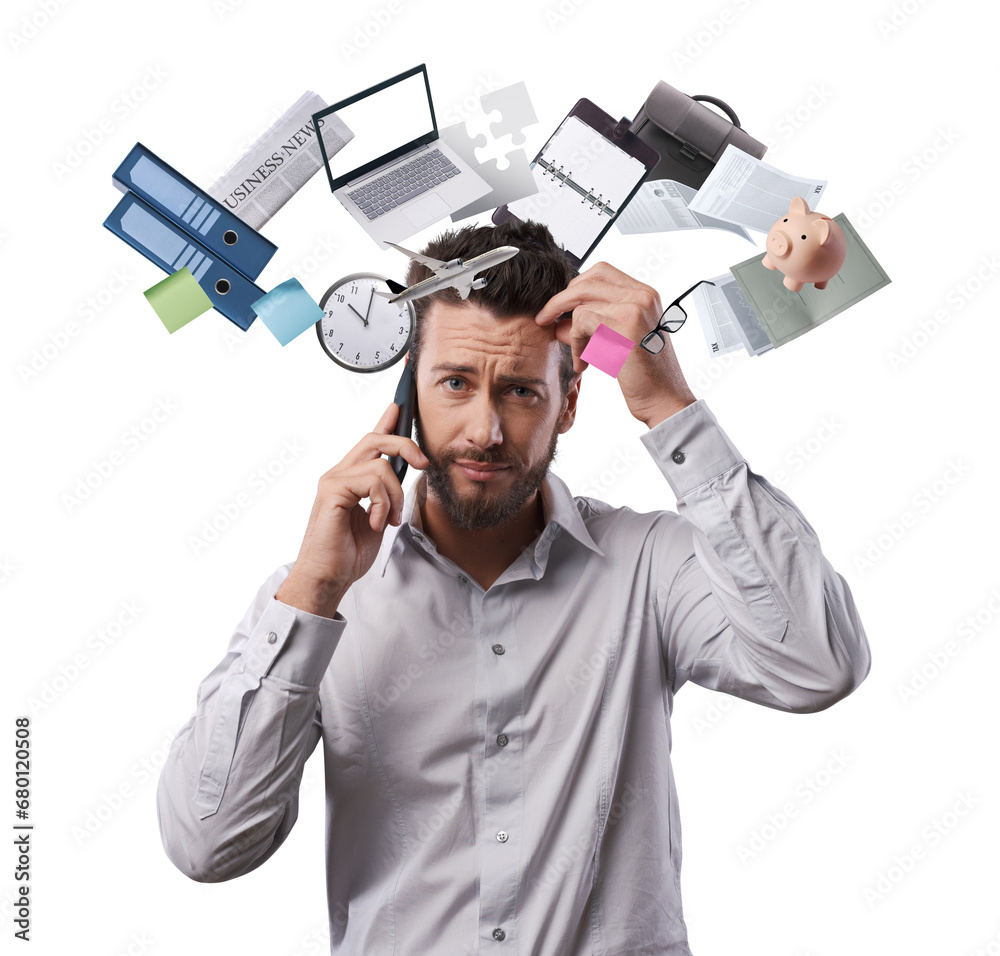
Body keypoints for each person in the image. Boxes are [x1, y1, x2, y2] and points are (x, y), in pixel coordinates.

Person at [157, 219, 870, 955]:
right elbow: (208, 845)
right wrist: (313, 589)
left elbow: (818, 666)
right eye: (455, 383)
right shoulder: (317, 602)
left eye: (522, 390)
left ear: (569, 402)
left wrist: (669, 407)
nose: (485, 430)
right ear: (409, 391)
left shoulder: (649, 565)